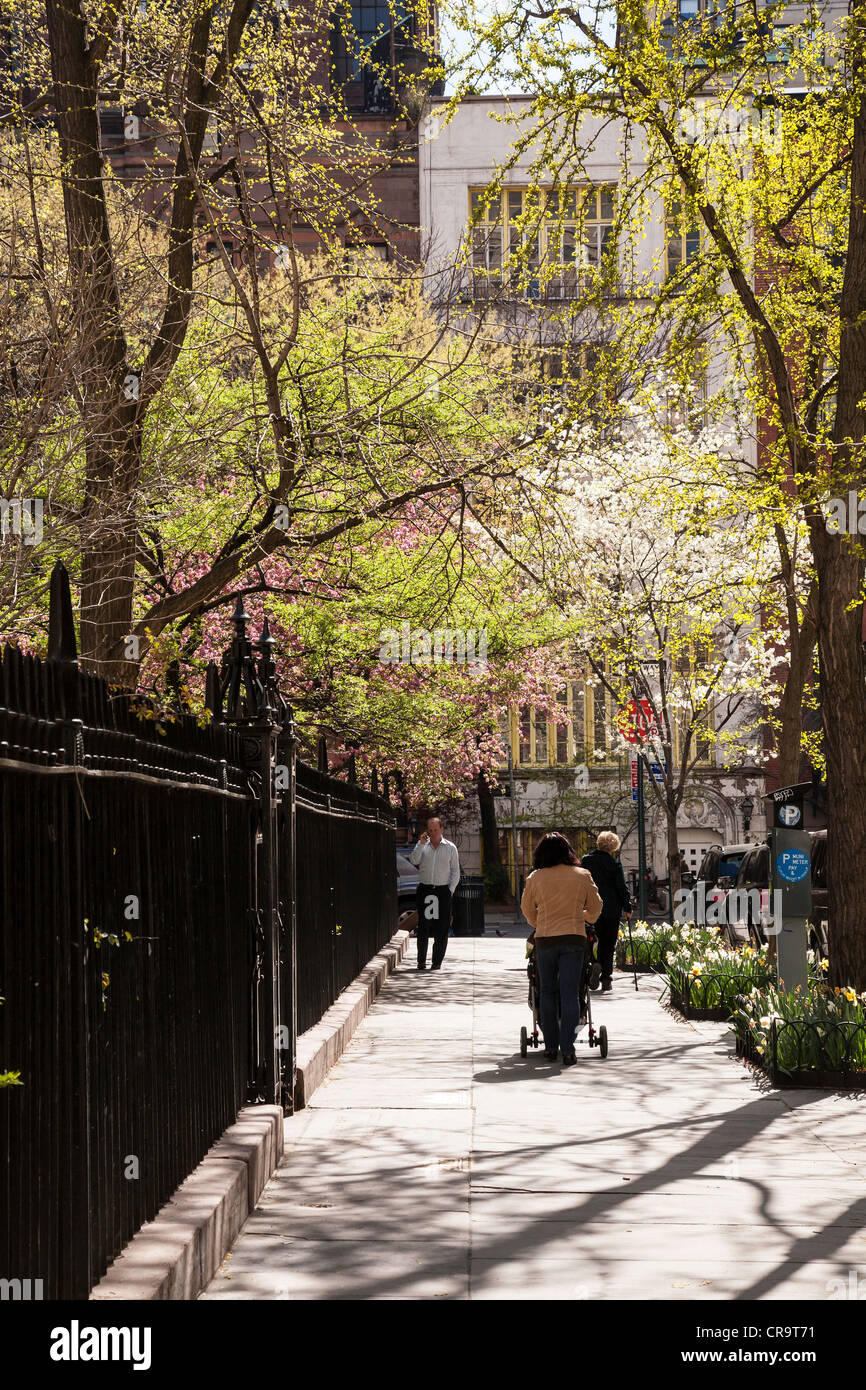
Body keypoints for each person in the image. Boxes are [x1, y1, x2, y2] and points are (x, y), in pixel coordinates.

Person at [520, 832, 603, 1066]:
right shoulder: (582, 875)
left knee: (547, 991)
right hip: (574, 938)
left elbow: (527, 910)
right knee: (570, 993)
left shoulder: (535, 877)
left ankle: (550, 1047)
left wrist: (542, 922)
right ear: (568, 851)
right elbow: (596, 909)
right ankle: (568, 1049)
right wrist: (580, 916)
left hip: (546, 939)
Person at [581, 831, 633, 993]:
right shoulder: (614, 864)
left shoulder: (586, 861)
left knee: (592, 940)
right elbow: (621, 888)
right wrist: (627, 907)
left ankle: (594, 964)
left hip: (590, 908)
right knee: (609, 944)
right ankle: (606, 978)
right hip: (611, 909)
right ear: (613, 847)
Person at [409, 817, 461, 970]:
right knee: (424, 926)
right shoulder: (423, 846)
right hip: (425, 890)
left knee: (442, 927)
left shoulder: (450, 848)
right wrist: (420, 843)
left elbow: (455, 872)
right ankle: (421, 961)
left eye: (435, 830)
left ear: (441, 830)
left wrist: (450, 891)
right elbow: (413, 860)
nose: (433, 833)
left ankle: (436, 961)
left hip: (442, 890)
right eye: (430, 830)